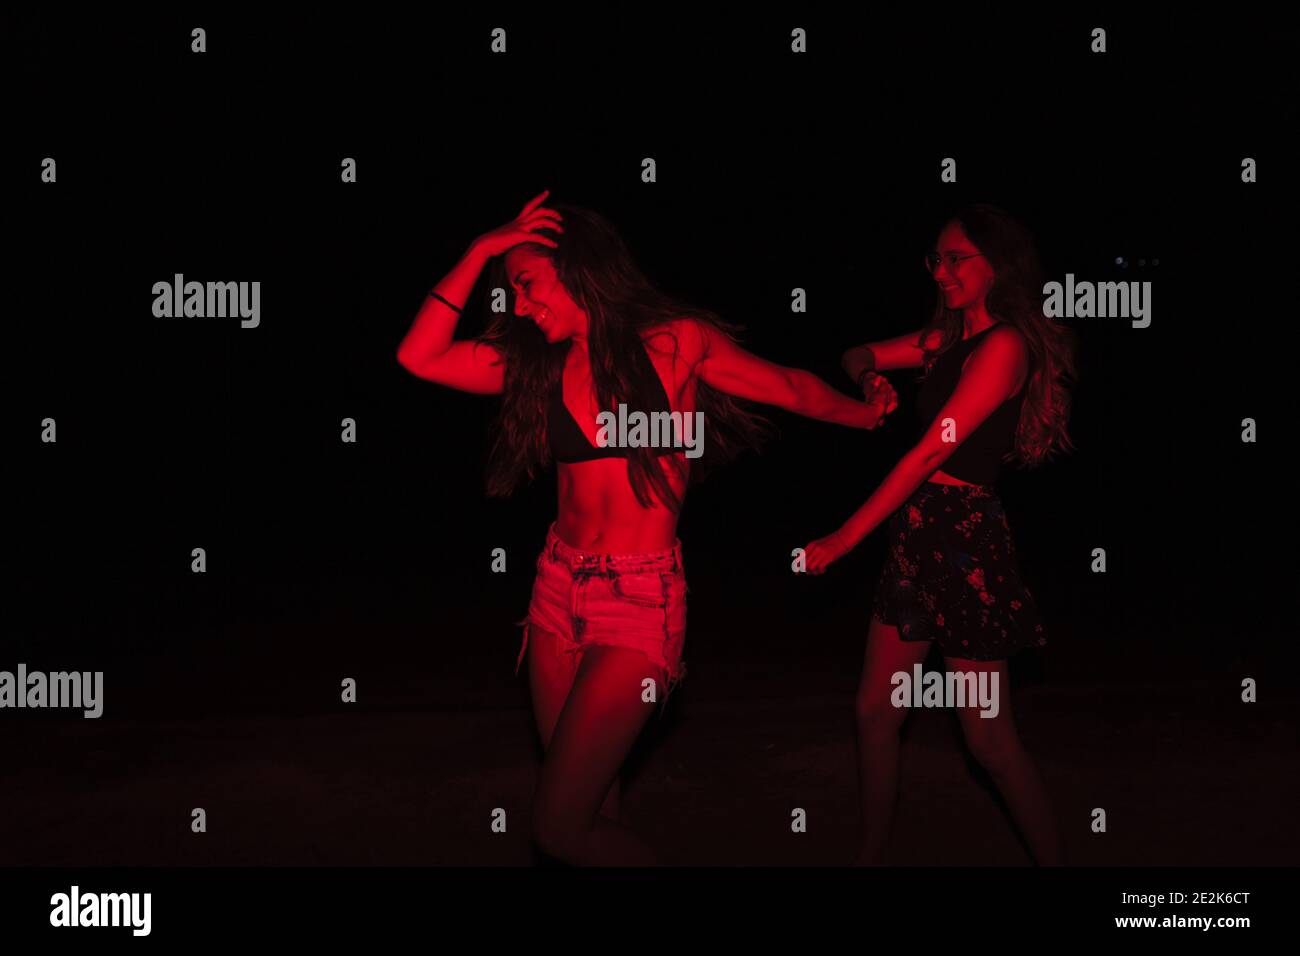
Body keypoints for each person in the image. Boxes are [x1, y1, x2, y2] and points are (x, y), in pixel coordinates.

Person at [397, 190, 896, 865]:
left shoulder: (674, 342)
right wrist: (481, 249)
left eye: (525, 282)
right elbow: (418, 357)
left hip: (638, 603)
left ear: (574, 263)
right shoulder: (535, 364)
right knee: (594, 807)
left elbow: (791, 387)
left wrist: (866, 415)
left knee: (557, 828)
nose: (516, 304)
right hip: (554, 593)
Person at [802, 203, 1079, 865]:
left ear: (997, 266)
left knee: (989, 742)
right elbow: (857, 349)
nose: (942, 270)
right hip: (916, 536)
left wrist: (843, 537)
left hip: (963, 542)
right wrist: (870, 378)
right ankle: (872, 853)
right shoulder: (944, 340)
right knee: (874, 711)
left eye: (958, 258)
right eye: (937, 258)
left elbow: (930, 453)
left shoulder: (1005, 345)